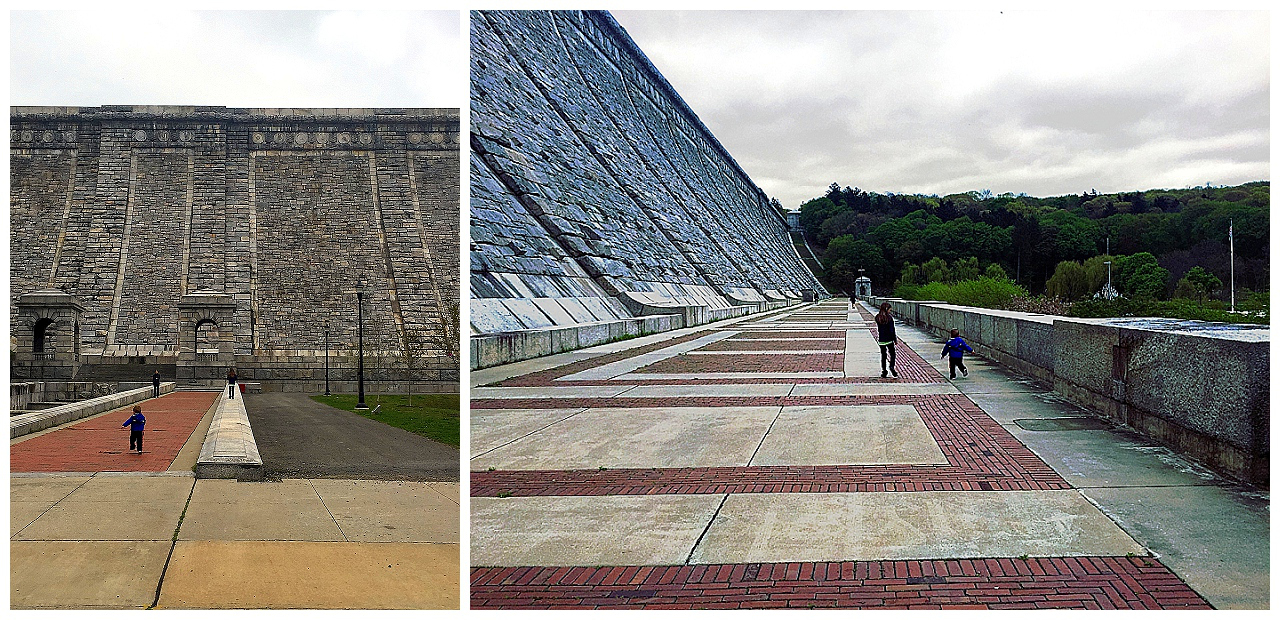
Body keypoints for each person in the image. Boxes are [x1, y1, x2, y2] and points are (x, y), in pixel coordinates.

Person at [875, 302, 897, 378]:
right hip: (889, 339)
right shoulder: (889, 318)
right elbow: (892, 330)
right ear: (887, 309)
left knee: (883, 356)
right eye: (890, 310)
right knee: (892, 354)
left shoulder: (878, 317)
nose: (890, 311)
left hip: (881, 339)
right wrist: (894, 339)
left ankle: (884, 371)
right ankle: (891, 366)